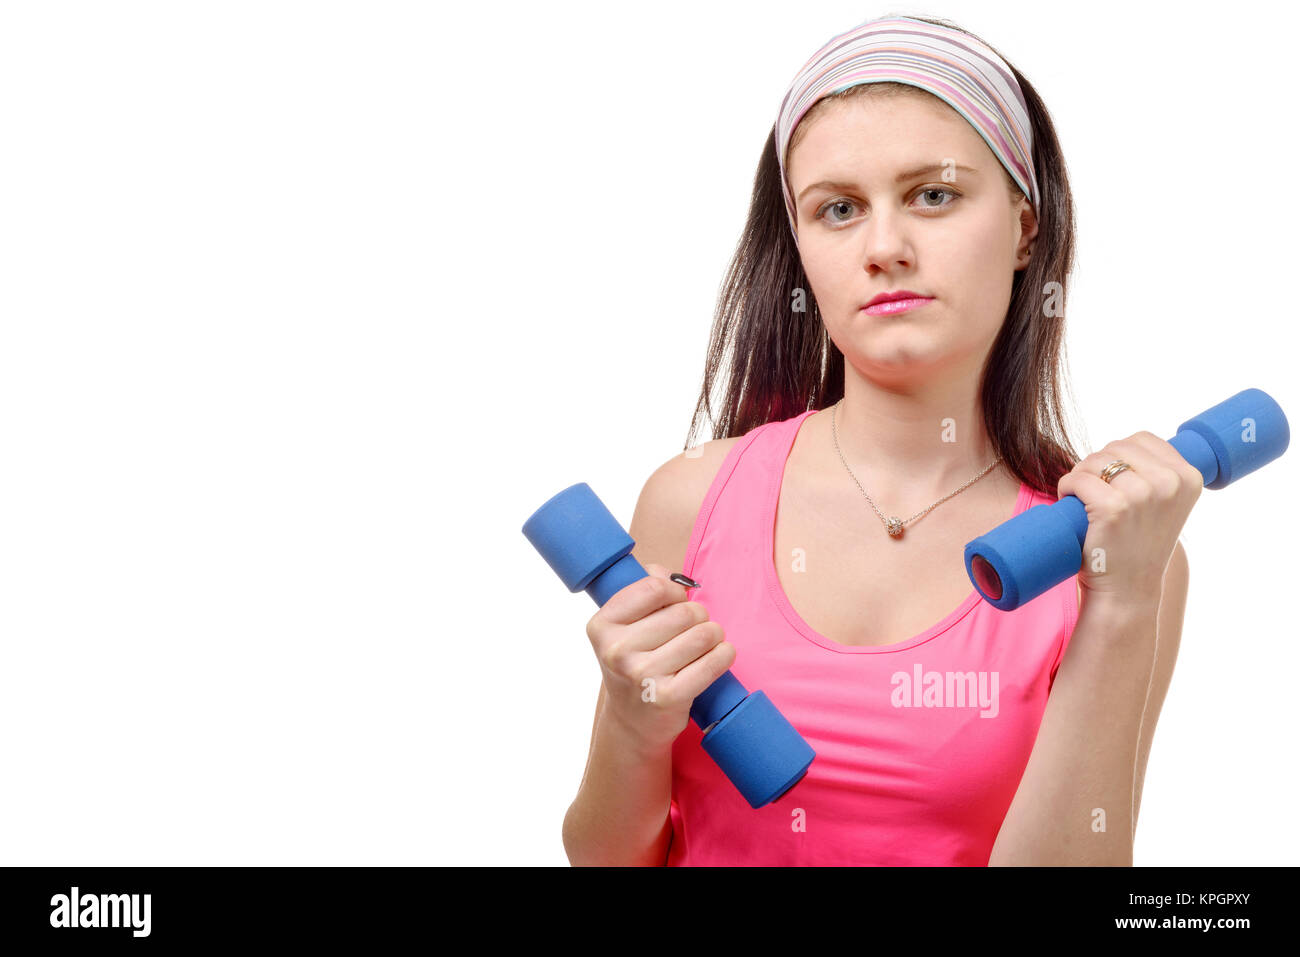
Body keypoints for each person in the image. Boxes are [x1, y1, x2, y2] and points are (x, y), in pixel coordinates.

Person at [562, 13, 1197, 866]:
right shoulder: (690, 500)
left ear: (1024, 225)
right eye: (838, 210)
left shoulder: (1106, 550)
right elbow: (604, 860)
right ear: (800, 246)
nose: (885, 248)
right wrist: (634, 727)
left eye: (934, 195)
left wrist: (1121, 605)